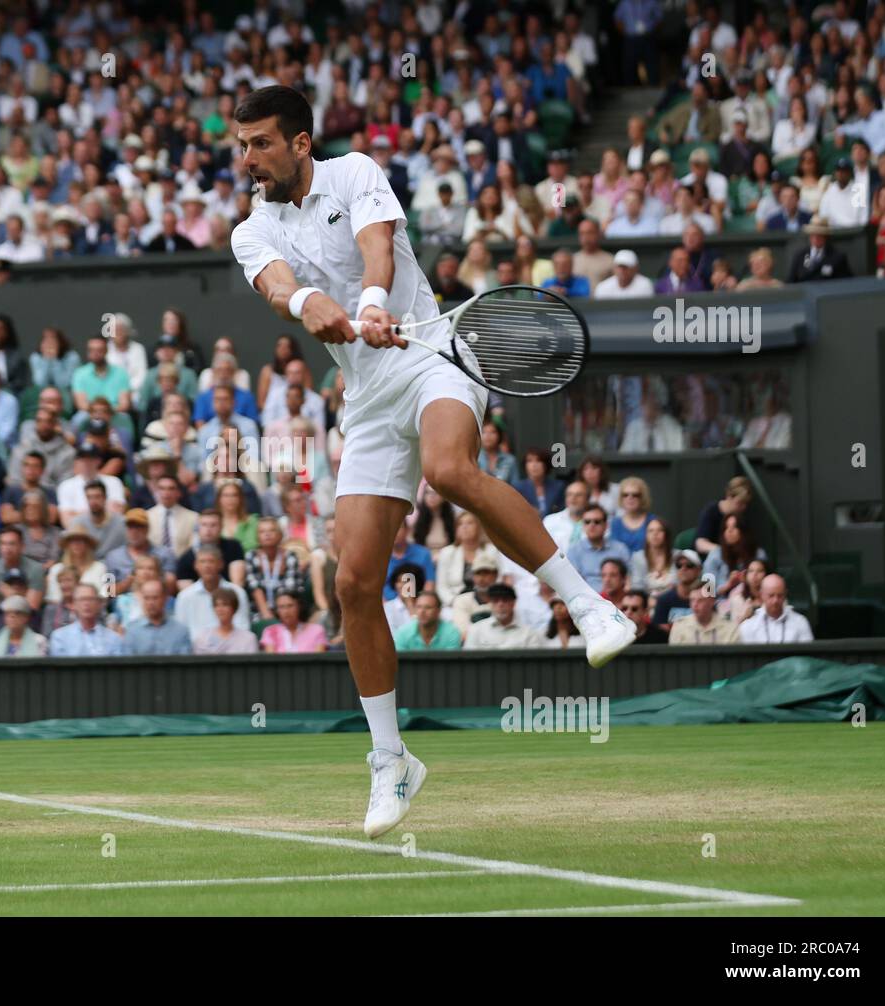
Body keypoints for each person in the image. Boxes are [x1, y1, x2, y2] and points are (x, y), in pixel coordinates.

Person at [231, 86, 633, 837]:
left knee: (449, 469)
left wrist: (375, 299)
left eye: (260, 143)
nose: (247, 158)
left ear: (300, 143)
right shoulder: (251, 229)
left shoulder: (354, 172)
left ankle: (589, 604)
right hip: (368, 395)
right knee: (353, 582)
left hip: (434, 351)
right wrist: (304, 303)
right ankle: (392, 760)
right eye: (242, 144)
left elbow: (378, 243)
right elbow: (277, 284)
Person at [174, 544, 249, 639]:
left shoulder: (237, 593)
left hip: (230, 650)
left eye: (211, 561)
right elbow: (181, 633)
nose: (207, 566)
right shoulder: (184, 596)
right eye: (202, 562)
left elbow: (243, 628)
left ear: (221, 564)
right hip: (195, 651)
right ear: (195, 565)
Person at [565, 505, 632, 592]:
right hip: (586, 601)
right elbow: (573, 584)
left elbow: (628, 580)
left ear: (606, 525)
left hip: (615, 601)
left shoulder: (620, 549)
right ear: (583, 525)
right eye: (587, 522)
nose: (592, 525)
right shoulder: (574, 551)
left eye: (597, 522)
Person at [49, 583, 127, 656]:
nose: (86, 604)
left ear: (99, 604)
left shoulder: (113, 638)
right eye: (82, 599)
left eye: (91, 599)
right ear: (74, 604)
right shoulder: (60, 637)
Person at [736, 574, 814, 643]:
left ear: (785, 595)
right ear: (761, 595)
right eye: (771, 595)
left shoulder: (800, 622)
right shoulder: (748, 626)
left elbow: (807, 656)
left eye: (779, 595)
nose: (775, 600)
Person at [462, 583, 541, 649]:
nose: (500, 604)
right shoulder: (476, 629)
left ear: (513, 603)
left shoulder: (529, 633)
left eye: (505, 600)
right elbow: (468, 661)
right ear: (490, 604)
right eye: (495, 601)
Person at [123, 579, 193, 655]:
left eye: (155, 598)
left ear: (165, 598)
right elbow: (128, 663)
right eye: (146, 598)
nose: (151, 603)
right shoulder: (132, 630)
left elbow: (185, 663)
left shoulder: (180, 631)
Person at [192, 587, 259, 654]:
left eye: (225, 605)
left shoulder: (248, 639)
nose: (220, 609)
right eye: (216, 605)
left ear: (234, 608)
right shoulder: (203, 638)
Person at [260, 589, 328, 653]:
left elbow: (318, 660)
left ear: (299, 606)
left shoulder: (316, 630)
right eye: (281, 607)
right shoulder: (270, 631)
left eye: (290, 606)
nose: (286, 611)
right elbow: (270, 661)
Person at [393, 589, 462, 650]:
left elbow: (451, 664)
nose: (422, 612)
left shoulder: (451, 633)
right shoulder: (402, 633)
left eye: (428, 607)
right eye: (419, 607)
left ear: (439, 611)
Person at [669, 590, 740, 645]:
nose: (695, 605)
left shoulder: (730, 627)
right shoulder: (680, 626)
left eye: (700, 600)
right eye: (692, 600)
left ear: (712, 601)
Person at [628, 518, 676, 597]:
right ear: (646, 535)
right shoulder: (638, 557)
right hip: (646, 603)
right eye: (651, 531)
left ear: (667, 534)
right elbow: (637, 587)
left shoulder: (677, 556)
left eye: (660, 530)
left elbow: (677, 585)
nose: (655, 534)